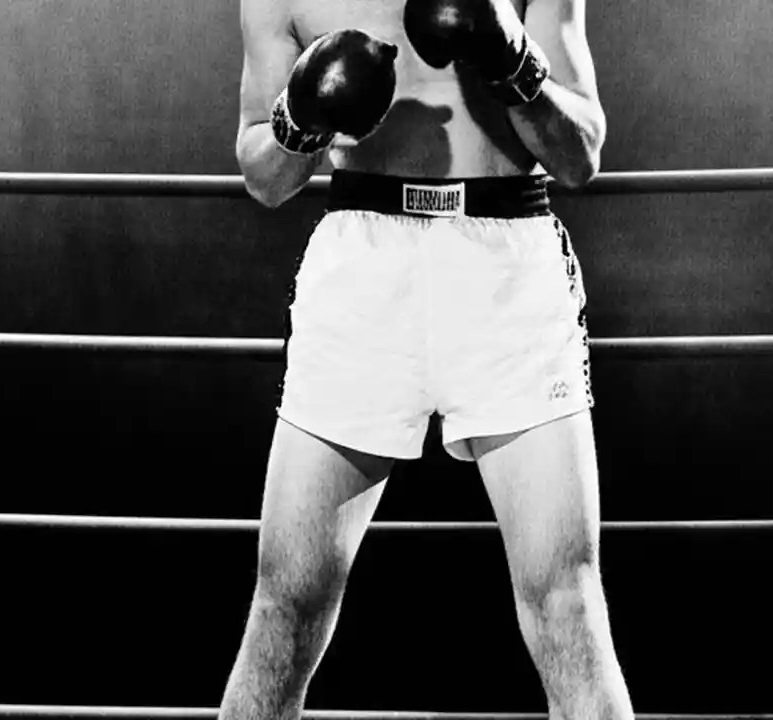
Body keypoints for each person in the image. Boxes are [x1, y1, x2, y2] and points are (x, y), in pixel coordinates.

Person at [220, 0, 634, 718]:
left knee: (567, 603)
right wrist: (302, 115)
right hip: (362, 268)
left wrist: (510, 56)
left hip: (508, 261)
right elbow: (264, 171)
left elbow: (581, 153)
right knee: (286, 604)